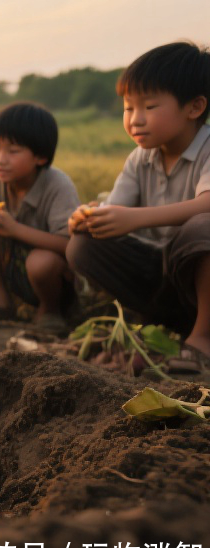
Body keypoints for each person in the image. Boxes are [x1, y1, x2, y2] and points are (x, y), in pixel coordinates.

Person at [67, 41, 210, 374]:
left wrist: (133, 218)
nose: (135, 120)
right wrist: (89, 219)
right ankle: (152, 325)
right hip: (166, 277)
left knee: (203, 226)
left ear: (194, 107)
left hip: (199, 271)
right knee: (83, 245)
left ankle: (203, 337)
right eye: (128, 108)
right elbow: (115, 211)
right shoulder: (140, 158)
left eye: (148, 106)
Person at [0, 103, 80, 332]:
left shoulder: (57, 185)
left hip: (52, 278)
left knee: (42, 262)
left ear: (40, 157)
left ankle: (50, 311)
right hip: (11, 268)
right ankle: (0, 301)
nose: (0, 160)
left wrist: (15, 229)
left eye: (12, 151)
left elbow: (70, 245)